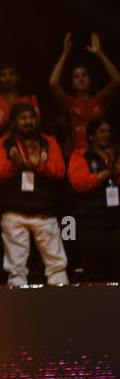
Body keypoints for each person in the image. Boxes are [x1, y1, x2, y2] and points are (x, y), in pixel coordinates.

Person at [0, 102, 68, 286]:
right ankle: (17, 308)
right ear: (14, 122)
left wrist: (40, 166)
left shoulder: (48, 142)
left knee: (57, 267)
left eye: (31, 118)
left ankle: (64, 305)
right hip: (13, 212)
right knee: (15, 272)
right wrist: (13, 166)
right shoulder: (4, 143)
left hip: (43, 210)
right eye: (23, 118)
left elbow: (60, 171)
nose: (28, 122)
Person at [66, 116, 120, 282]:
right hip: (91, 219)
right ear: (91, 136)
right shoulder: (80, 156)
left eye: (109, 131)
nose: (106, 135)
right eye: (101, 131)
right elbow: (79, 183)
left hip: (116, 218)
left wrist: (115, 168)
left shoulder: (117, 154)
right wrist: (106, 173)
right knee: (95, 257)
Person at [49, 33, 120, 153]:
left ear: (90, 79)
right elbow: (53, 84)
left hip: (102, 152)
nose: (81, 79)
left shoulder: (99, 100)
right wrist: (64, 55)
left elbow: (117, 81)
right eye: (76, 77)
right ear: (72, 83)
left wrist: (100, 54)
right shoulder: (69, 103)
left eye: (84, 75)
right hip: (78, 153)